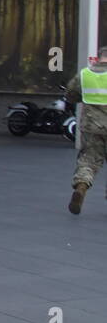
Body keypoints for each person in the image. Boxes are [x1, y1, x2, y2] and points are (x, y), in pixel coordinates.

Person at [65, 46, 107, 214]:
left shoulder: (85, 74)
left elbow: (71, 95)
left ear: (98, 58)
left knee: (88, 160)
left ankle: (81, 186)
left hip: (91, 126)